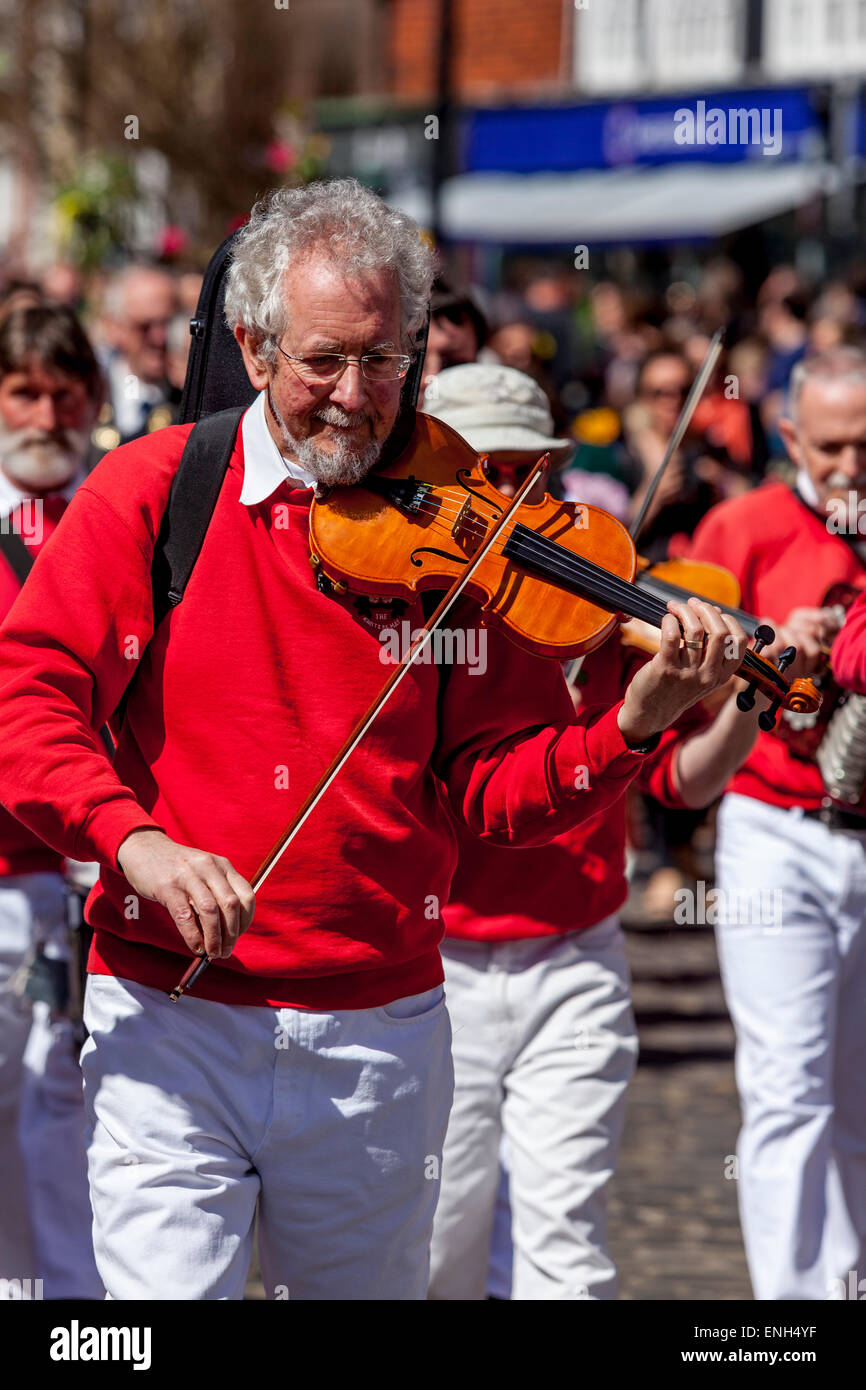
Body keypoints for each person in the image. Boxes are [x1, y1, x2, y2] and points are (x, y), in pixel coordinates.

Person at [0, 180, 740, 1302]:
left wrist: (629, 726)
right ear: (252, 350)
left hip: (377, 1031)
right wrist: (132, 839)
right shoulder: (152, 493)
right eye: (323, 362)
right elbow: (26, 704)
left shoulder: (460, 537)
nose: (357, 399)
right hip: (168, 1017)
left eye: (387, 361)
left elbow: (492, 793)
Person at [424, 362, 764, 1300]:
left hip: (575, 957)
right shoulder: (409, 611)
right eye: (477, 471)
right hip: (435, 966)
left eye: (524, 470)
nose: (502, 496)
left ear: (556, 474)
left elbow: (686, 787)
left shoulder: (607, 606)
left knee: (568, 1252)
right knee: (435, 1250)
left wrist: (741, 699)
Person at [687, 345, 866, 1300]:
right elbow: (676, 672)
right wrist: (767, 647)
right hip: (776, 826)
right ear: (792, 434)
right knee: (790, 1089)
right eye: (834, 446)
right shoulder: (742, 526)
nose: (852, 467)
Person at [0, 304, 105, 1297]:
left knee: (74, 1107)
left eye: (64, 393)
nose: (45, 414)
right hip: (7, 871)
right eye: (24, 391)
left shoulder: (121, 517)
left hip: (108, 869)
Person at [93, 265, 179, 452]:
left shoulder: (189, 401)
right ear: (114, 327)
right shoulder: (90, 400)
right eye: (144, 327)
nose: (160, 338)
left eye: (167, 323)